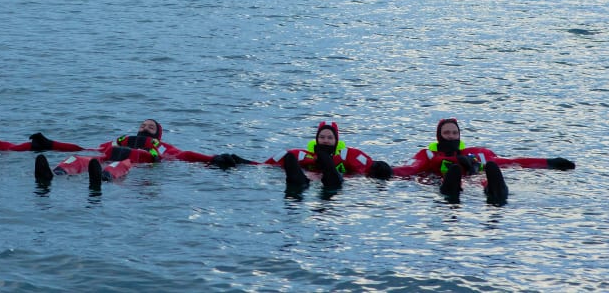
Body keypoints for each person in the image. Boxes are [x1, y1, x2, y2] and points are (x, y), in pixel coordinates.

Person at [391, 117, 576, 204]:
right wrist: (386, 171)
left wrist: (550, 162)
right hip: (440, 179)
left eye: (454, 133)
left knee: (485, 173)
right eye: (446, 133)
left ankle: (495, 189)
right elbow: (410, 170)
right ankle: (451, 188)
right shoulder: (427, 156)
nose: (451, 136)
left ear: (459, 135)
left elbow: (514, 161)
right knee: (450, 177)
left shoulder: (476, 153)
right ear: (439, 136)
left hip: (473, 176)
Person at [30, 119, 251, 189]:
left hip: (132, 162)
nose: (145, 128)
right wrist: (50, 143)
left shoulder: (162, 148)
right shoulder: (117, 141)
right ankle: (55, 173)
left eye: (150, 127)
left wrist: (212, 159)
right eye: (143, 125)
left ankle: (102, 178)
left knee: (119, 166)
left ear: (158, 135)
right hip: (106, 157)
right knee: (78, 159)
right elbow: (83, 149)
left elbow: (186, 155)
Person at [264, 121, 393, 190]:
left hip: (336, 181)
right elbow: (266, 165)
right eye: (322, 137)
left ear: (336, 141)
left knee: (333, 178)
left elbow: (368, 168)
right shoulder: (304, 155)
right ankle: (296, 178)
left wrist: (381, 168)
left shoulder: (350, 155)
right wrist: (245, 162)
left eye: (330, 138)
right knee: (300, 175)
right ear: (316, 139)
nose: (325, 140)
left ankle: (328, 167)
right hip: (310, 180)